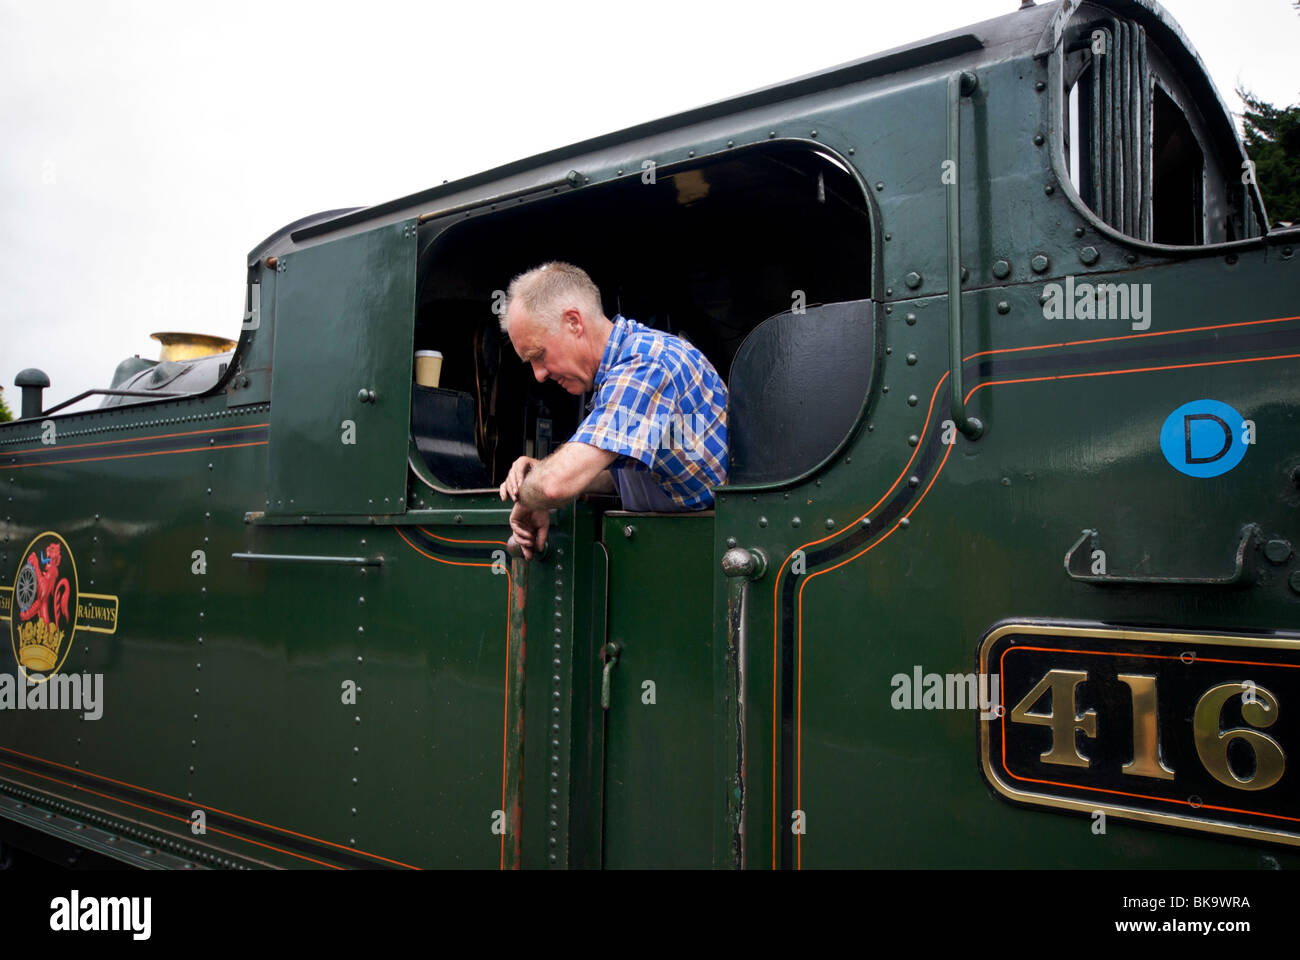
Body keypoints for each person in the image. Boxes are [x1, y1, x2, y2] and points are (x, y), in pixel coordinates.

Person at [497, 262, 728, 558]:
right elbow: (641, 472)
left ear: (574, 323)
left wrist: (535, 495)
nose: (538, 374)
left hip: (704, 553)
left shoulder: (645, 365)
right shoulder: (624, 369)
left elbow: (555, 485)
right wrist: (542, 478)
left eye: (539, 355)